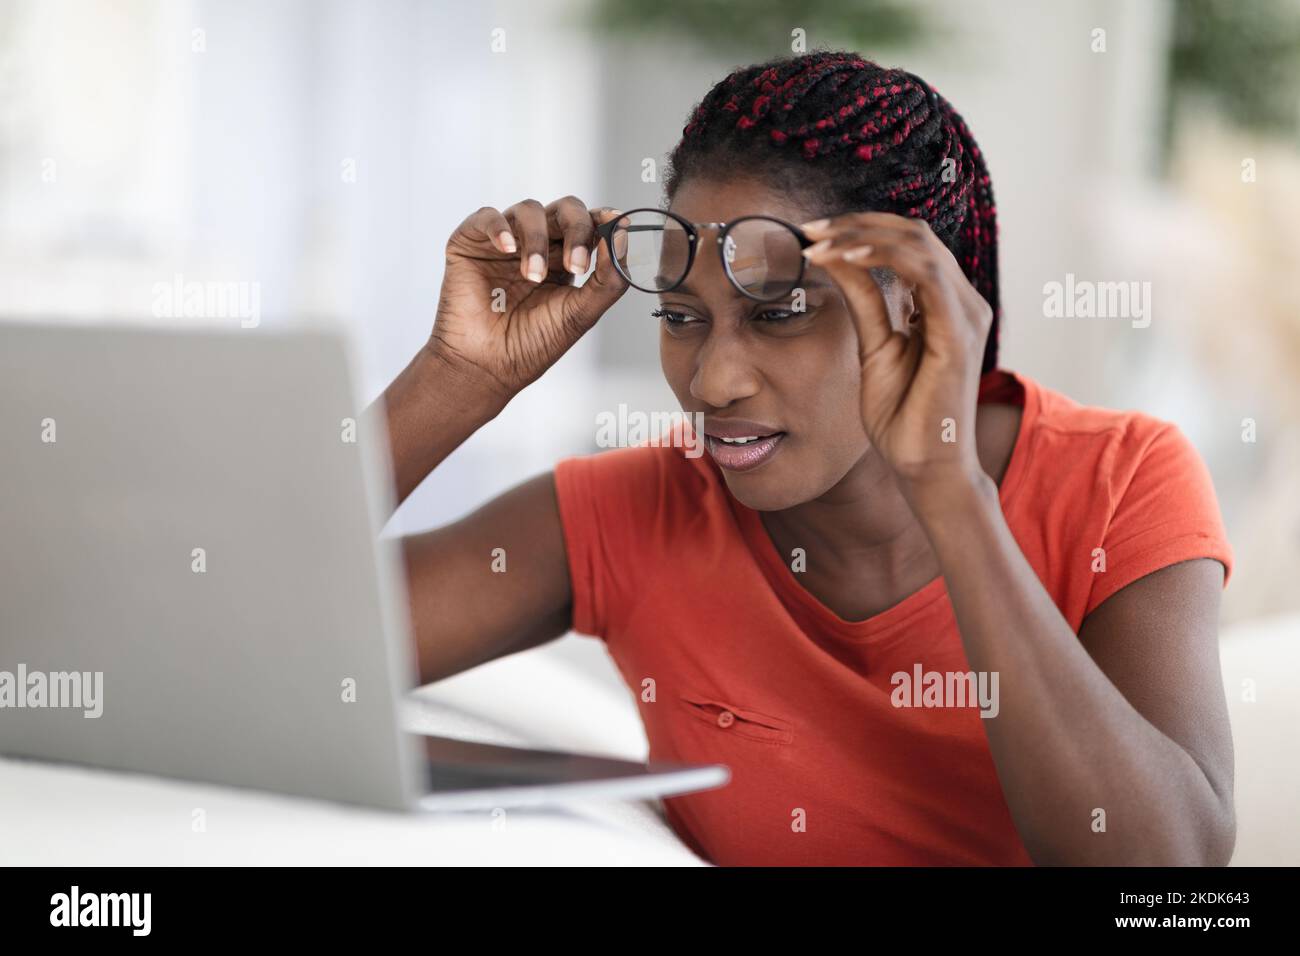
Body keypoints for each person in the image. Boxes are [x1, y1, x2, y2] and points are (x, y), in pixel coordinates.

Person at [377, 51, 1235, 866]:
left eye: (780, 311)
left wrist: (950, 490)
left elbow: (1170, 879)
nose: (712, 382)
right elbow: (283, 660)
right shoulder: (641, 510)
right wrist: (456, 379)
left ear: (922, 309)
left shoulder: (1120, 480)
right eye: (681, 318)